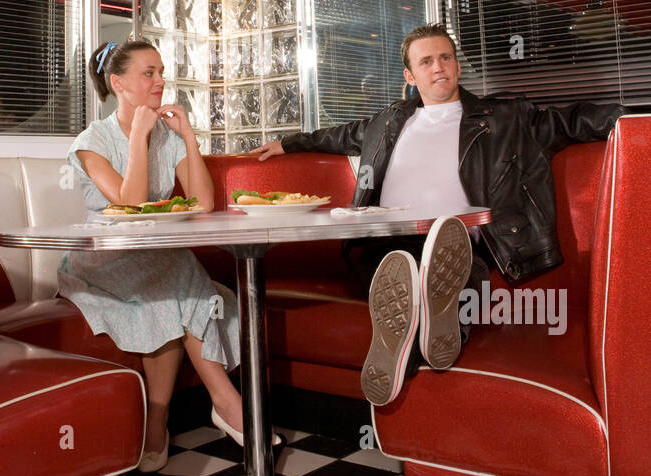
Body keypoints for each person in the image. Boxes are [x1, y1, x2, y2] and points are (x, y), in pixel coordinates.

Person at [253, 23, 626, 406]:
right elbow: (334, 136)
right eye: (426, 61)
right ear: (410, 76)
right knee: (394, 264)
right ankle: (440, 323)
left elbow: (572, 120)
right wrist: (287, 143)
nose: (438, 67)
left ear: (457, 67)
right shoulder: (387, 123)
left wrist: (631, 120)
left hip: (458, 243)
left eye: (445, 57)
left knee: (452, 256)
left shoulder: (507, 118)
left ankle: (403, 341)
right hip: (388, 245)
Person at [58, 38, 248, 471]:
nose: (161, 81)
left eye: (161, 72)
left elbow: (202, 202)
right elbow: (130, 204)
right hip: (102, 263)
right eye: (149, 73)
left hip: (158, 261)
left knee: (171, 281)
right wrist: (140, 135)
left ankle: (160, 421)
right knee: (184, 275)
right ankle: (225, 401)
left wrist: (188, 137)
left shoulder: (166, 135)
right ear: (118, 83)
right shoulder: (92, 140)